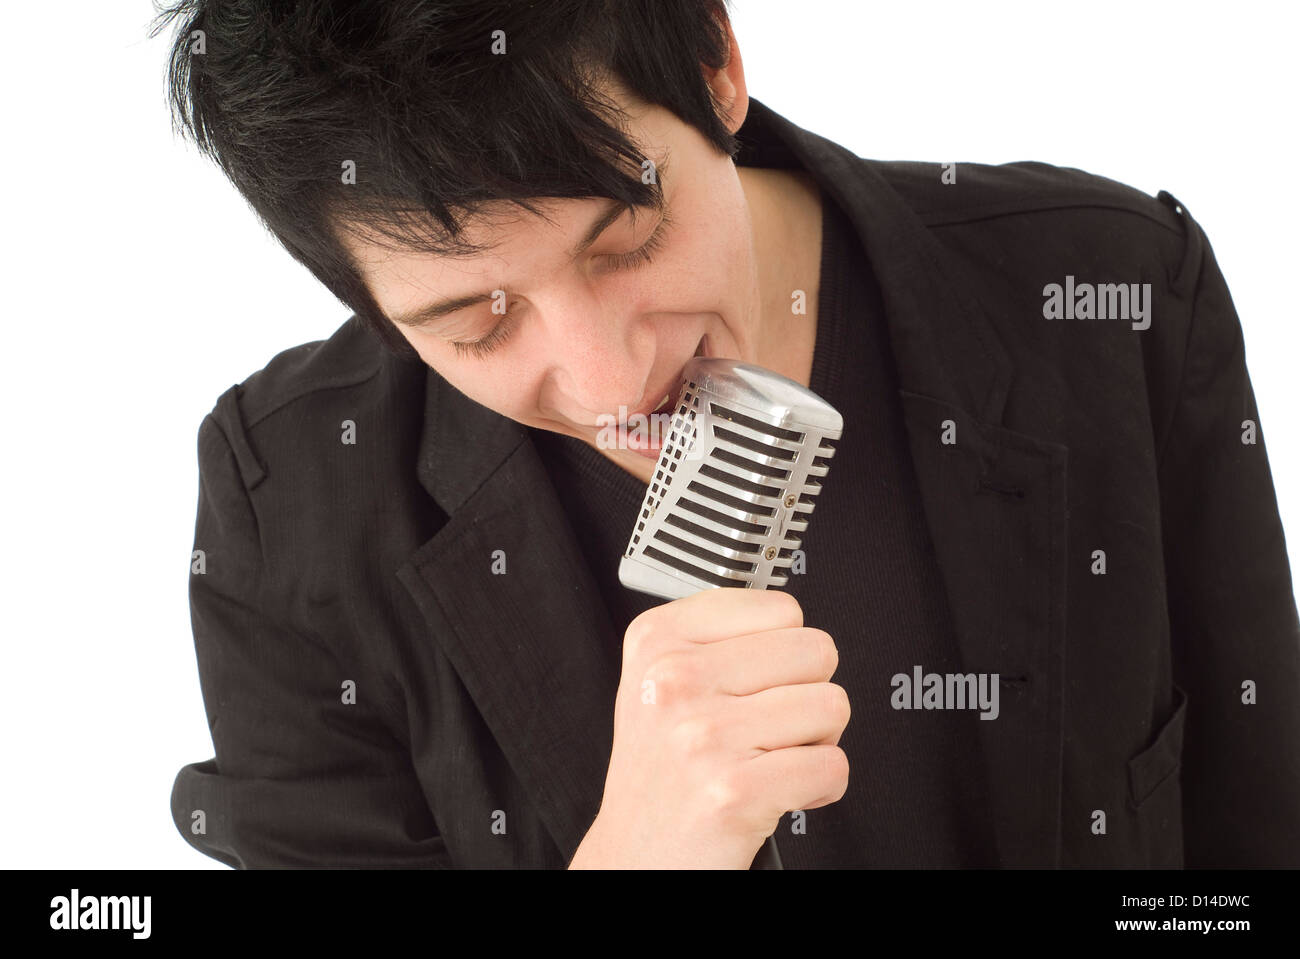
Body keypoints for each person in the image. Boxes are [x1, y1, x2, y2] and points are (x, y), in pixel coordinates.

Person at [156, 0, 1300, 868]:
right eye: (478, 319)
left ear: (716, 64)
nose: (612, 377)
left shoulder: (1109, 287)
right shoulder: (285, 503)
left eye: (626, 240)